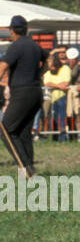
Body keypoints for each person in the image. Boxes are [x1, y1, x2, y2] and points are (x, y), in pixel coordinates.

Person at [0, 16, 47, 177]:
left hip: (22, 92)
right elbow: (50, 59)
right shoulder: (35, 46)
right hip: (36, 91)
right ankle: (29, 168)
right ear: (26, 29)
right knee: (22, 132)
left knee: (5, 129)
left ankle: (25, 168)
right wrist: (40, 74)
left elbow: (3, 66)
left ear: (12, 30)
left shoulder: (16, 46)